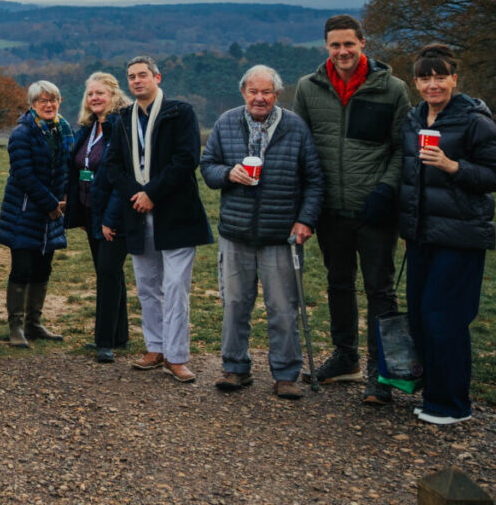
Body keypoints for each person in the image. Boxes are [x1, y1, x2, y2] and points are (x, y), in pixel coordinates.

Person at [290, 14, 410, 405]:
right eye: (335, 45)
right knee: (338, 284)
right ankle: (346, 358)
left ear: (363, 44)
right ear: (326, 47)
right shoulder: (309, 88)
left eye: (349, 44)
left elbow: (401, 149)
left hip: (375, 209)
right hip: (330, 209)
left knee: (380, 291)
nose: (342, 52)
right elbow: (304, 150)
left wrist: (386, 190)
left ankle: (383, 373)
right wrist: (308, 203)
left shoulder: (392, 89)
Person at [397, 44, 496, 425]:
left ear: (454, 79)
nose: (434, 84)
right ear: (415, 82)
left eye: (441, 76)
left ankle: (452, 405)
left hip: (461, 235)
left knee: (443, 316)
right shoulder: (414, 121)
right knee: (420, 316)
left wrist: (452, 165)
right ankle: (434, 395)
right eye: (426, 77)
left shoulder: (474, 120)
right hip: (421, 235)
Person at [200, 66, 323, 400]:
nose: (259, 98)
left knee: (283, 308)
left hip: (281, 234)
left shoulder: (295, 126)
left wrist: (305, 220)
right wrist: (229, 173)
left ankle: (286, 374)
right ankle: (234, 368)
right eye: (253, 91)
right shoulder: (226, 122)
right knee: (235, 304)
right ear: (243, 93)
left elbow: (314, 179)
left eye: (266, 92)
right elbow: (207, 168)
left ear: (277, 94)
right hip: (236, 232)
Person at [103, 55, 212, 383]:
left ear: (157, 77)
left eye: (142, 75)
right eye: (131, 76)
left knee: (175, 286)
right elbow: (112, 165)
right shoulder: (123, 117)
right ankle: (155, 347)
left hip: (175, 211)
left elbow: (187, 158)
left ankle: (177, 357)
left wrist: (153, 192)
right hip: (137, 212)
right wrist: (136, 194)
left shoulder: (180, 112)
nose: (137, 81)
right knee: (148, 286)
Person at [0, 81, 73, 349]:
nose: (48, 105)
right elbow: (24, 175)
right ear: (32, 105)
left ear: (59, 101)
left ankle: (34, 323)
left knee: (43, 268)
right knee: (22, 269)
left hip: (51, 214)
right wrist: (52, 203)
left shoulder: (64, 130)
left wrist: (64, 198)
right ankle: (15, 326)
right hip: (25, 211)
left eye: (53, 99)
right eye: (42, 101)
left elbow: (66, 168)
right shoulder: (22, 133)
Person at [68, 72, 133, 362]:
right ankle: (120, 334)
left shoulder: (121, 127)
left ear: (114, 96)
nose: (95, 98)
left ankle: (104, 341)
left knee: (107, 274)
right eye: (91, 94)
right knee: (109, 272)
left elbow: (123, 178)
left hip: (113, 215)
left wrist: (111, 219)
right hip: (90, 212)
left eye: (101, 93)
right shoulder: (88, 128)